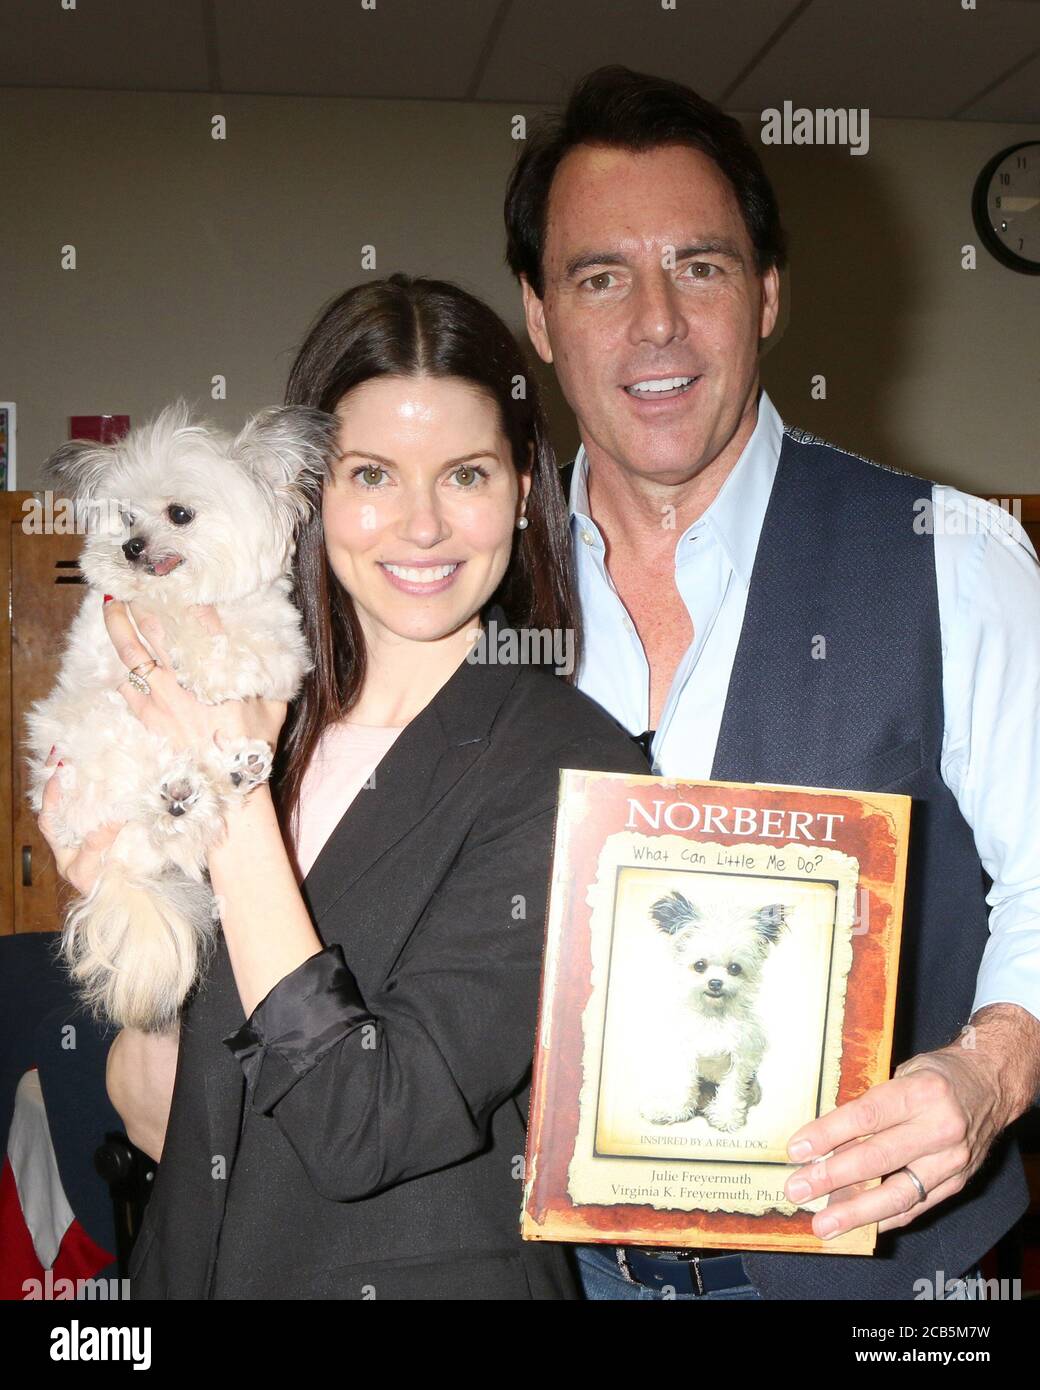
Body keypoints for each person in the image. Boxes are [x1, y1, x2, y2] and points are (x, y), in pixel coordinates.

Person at [502, 65, 1040, 1300]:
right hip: (536, 1273)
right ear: (537, 314)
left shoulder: (949, 556)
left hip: (880, 1282)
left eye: (698, 267)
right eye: (599, 277)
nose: (654, 322)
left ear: (767, 295)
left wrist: (987, 1070)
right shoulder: (466, 579)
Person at [37, 272, 650, 1300]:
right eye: (372, 473)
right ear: (307, 496)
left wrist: (225, 806)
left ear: (520, 488)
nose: (420, 526)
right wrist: (130, 901)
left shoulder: (572, 764)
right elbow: (153, 1105)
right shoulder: (260, 709)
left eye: (464, 475)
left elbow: (366, 1123)